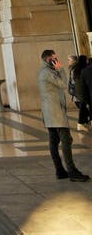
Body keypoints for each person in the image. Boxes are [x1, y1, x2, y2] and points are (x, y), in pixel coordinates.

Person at [37, 49, 89, 182]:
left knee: (54, 141)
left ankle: (60, 170)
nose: (57, 60)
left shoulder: (46, 71)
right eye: (54, 58)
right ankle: (71, 171)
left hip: (52, 112)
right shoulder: (47, 72)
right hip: (55, 113)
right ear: (48, 59)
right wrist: (60, 69)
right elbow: (63, 84)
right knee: (66, 140)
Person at [68, 54, 90, 132]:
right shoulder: (80, 69)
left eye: (69, 60)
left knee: (83, 108)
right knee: (83, 108)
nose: (68, 62)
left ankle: (85, 122)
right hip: (80, 92)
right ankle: (81, 123)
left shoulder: (75, 68)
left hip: (77, 93)